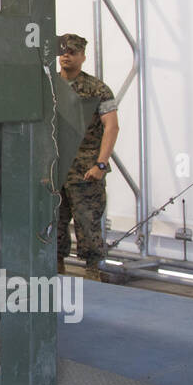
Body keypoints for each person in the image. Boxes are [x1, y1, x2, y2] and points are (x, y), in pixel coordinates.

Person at [55, 33, 119, 281]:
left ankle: (92, 273)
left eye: (72, 52)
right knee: (54, 224)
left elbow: (111, 127)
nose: (66, 56)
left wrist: (101, 164)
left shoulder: (97, 89)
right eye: (63, 51)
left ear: (83, 56)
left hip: (85, 169)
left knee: (88, 223)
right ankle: (56, 269)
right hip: (54, 168)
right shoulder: (49, 85)